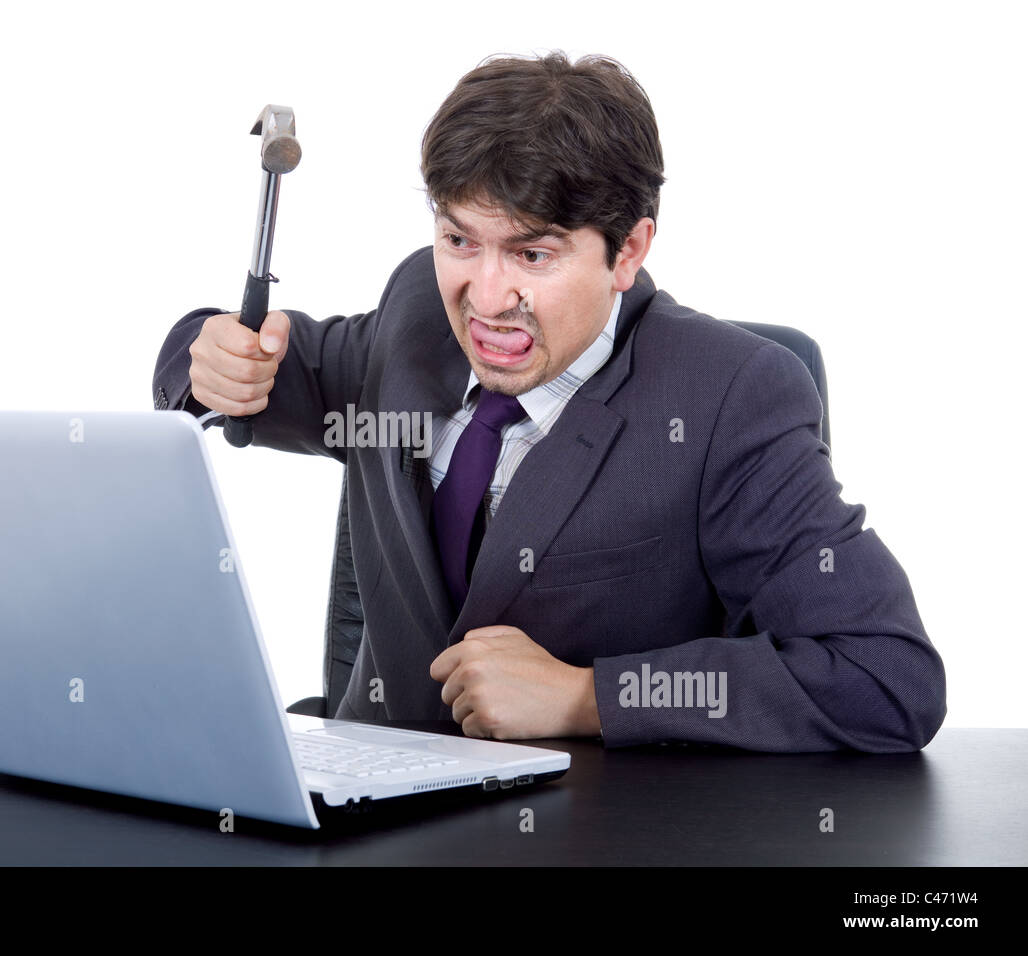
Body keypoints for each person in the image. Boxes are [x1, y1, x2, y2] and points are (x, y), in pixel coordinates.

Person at [151, 52, 946, 751]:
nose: (487, 298)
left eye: (532, 253)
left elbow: (883, 675)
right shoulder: (417, 315)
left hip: (587, 836)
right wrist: (208, 358)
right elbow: (264, 363)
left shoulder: (727, 398)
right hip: (364, 819)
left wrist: (588, 696)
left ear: (627, 250)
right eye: (460, 240)